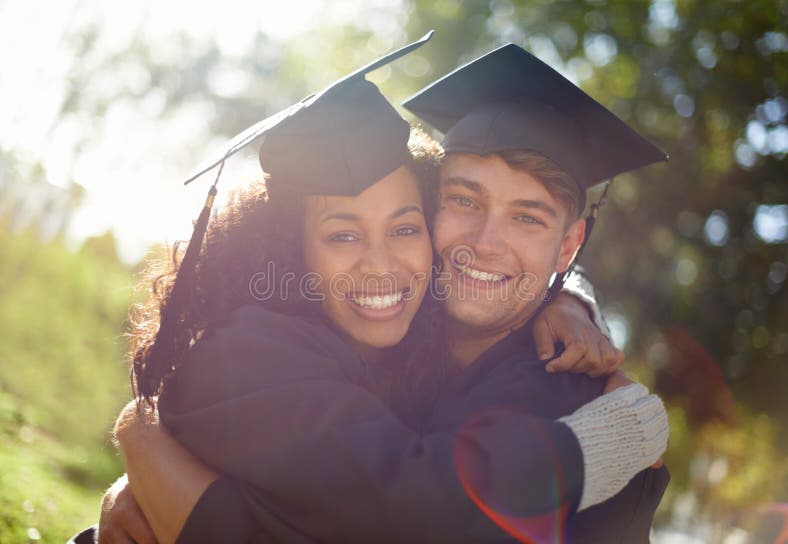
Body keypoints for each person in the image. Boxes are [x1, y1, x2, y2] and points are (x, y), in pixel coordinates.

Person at [76, 38, 668, 544]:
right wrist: (141, 437)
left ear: (568, 249)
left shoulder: (564, 396)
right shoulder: (357, 344)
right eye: (463, 200)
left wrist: (166, 476)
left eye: (529, 219)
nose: (485, 243)